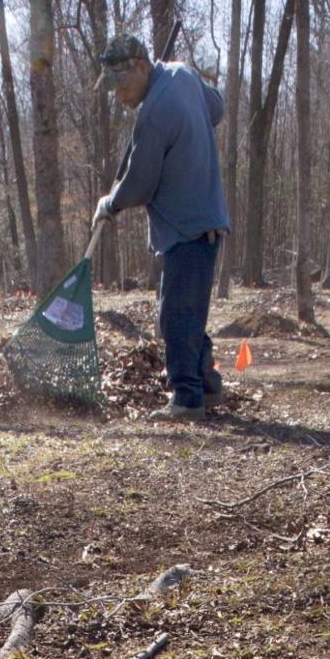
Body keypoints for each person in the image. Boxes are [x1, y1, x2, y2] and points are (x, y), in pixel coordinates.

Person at [93, 34, 229, 422]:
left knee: (174, 316)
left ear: (140, 67)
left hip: (186, 226)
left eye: (121, 85)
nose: (119, 97)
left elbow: (140, 182)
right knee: (190, 311)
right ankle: (206, 384)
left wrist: (111, 203)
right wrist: (182, 94)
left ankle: (187, 399)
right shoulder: (182, 75)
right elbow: (215, 107)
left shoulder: (152, 115)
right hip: (207, 220)